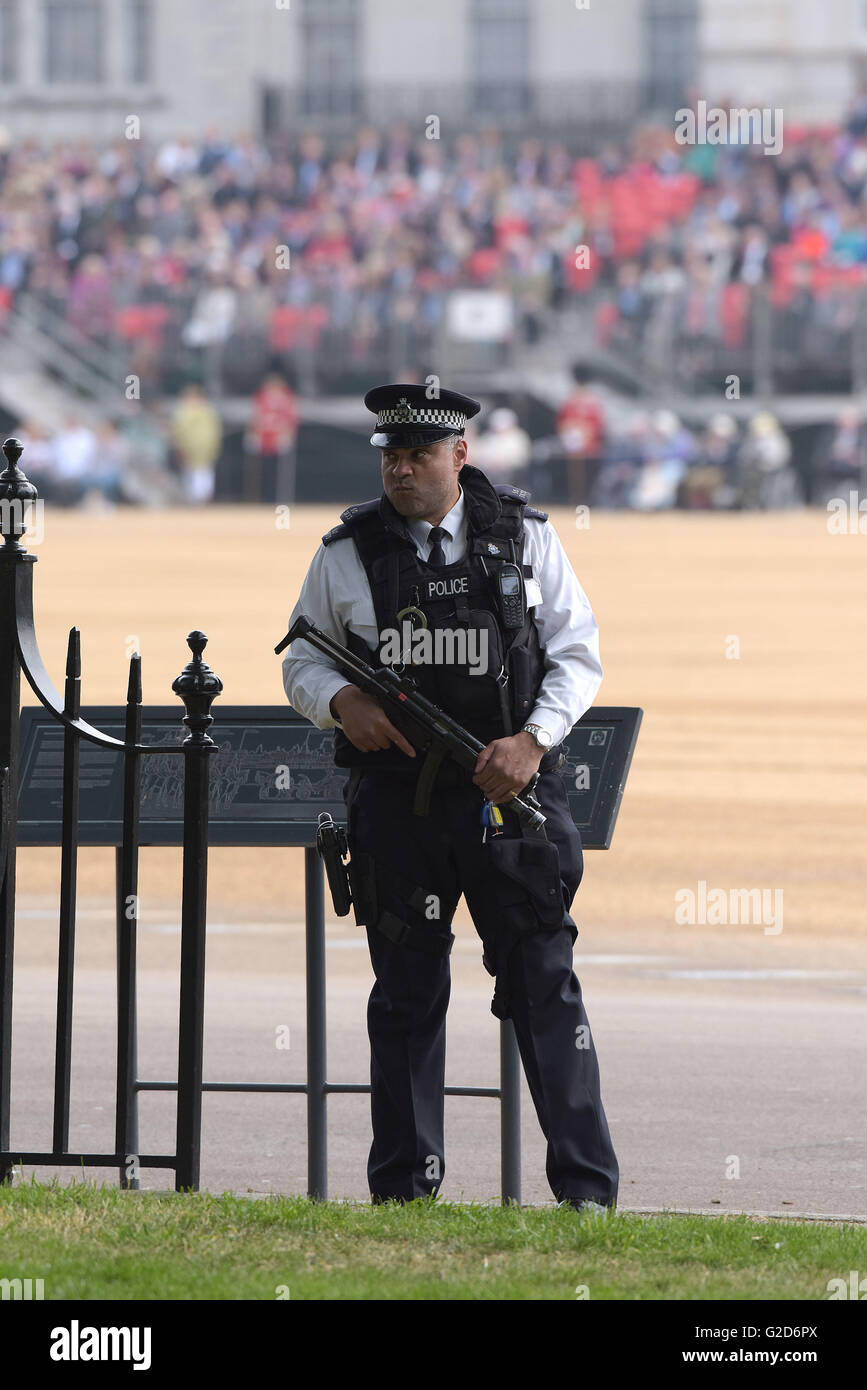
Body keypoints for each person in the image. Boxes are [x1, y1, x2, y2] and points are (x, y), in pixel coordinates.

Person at [282, 382, 618, 1211]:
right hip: (400, 808)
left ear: (459, 456)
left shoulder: (525, 541)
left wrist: (531, 741)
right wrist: (340, 703)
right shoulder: (345, 552)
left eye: (419, 455)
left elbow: (577, 654)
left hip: (512, 802)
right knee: (404, 995)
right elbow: (300, 656)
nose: (401, 470)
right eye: (391, 456)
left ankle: (585, 1194)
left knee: (544, 985)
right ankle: (402, 1193)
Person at [244, 372, 300, 504]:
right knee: (263, 470)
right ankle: (262, 498)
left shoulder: (287, 397)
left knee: (280, 472)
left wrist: (288, 434)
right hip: (264, 438)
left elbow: (291, 418)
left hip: (279, 438)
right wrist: (253, 434)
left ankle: (279, 498)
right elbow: (255, 416)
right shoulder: (261, 397)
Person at [170, 384, 223, 505]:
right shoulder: (183, 412)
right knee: (191, 476)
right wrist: (179, 447)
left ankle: (202, 501)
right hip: (188, 450)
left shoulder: (207, 412)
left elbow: (215, 431)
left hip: (205, 450)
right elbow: (178, 432)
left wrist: (213, 448)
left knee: (204, 476)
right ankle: (193, 502)